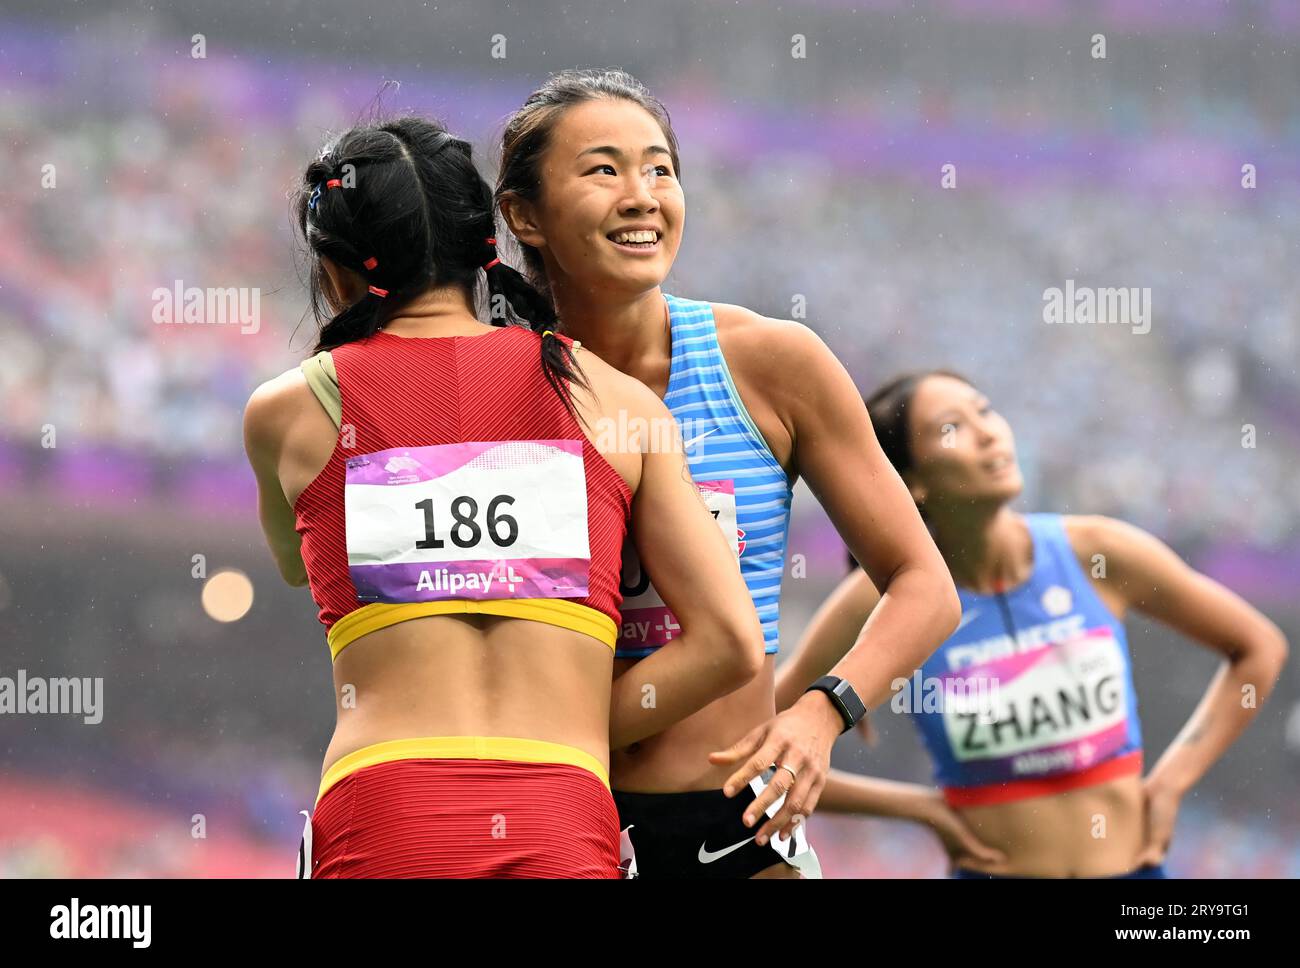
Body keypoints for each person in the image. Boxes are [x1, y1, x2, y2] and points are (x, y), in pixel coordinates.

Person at [243, 116, 764, 878]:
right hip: (560, 810)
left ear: (335, 272)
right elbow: (732, 644)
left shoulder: (286, 412)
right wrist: (581, 721)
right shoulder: (617, 406)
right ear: (484, 246)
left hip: (383, 814)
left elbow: (295, 566)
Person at [495, 69, 960, 878]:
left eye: (660, 168)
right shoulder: (490, 384)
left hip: (734, 830)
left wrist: (822, 711)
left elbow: (923, 584)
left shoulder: (771, 363)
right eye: (604, 170)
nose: (642, 195)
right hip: (553, 822)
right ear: (522, 214)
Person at [775, 370, 1290, 877]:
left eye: (985, 410)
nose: (988, 430)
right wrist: (919, 810)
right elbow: (761, 738)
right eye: (952, 427)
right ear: (911, 484)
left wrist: (1173, 782)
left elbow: (1258, 646)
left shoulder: (1098, 553)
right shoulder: (885, 596)